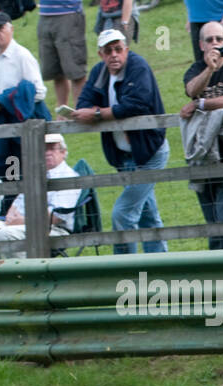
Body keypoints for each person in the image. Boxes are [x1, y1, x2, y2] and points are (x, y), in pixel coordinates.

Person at [73, 28, 168, 254]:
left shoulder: (138, 67)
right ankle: (160, 267)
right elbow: (83, 104)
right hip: (124, 156)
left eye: (118, 49)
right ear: (101, 55)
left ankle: (124, 270)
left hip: (150, 152)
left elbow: (137, 103)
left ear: (126, 50)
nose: (114, 55)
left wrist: (97, 114)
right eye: (108, 51)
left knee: (123, 213)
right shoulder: (99, 72)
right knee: (147, 215)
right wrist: (99, 111)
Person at [181, 20, 223, 249]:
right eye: (209, 40)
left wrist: (201, 103)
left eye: (219, 39)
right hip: (202, 155)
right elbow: (191, 89)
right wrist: (210, 68)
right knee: (213, 222)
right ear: (201, 44)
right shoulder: (195, 69)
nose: (214, 43)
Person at [0, 132, 77, 258]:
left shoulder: (69, 177)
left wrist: (23, 221)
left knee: (6, 234)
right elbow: (17, 204)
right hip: (21, 225)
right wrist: (11, 216)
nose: (47, 153)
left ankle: (23, 275)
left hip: (53, 229)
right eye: (43, 149)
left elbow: (57, 217)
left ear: (63, 152)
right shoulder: (35, 175)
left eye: (52, 148)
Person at [0, 12, 48, 213]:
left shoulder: (22, 55)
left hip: (20, 125)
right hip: (2, 125)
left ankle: (23, 213)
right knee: (9, 171)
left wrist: (9, 100)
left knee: (22, 172)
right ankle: (11, 211)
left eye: (0, 28)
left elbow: (38, 91)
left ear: (11, 29)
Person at [37, 0, 87, 109]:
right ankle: (62, 113)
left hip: (69, 13)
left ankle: (81, 111)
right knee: (56, 72)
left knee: (75, 70)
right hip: (45, 14)